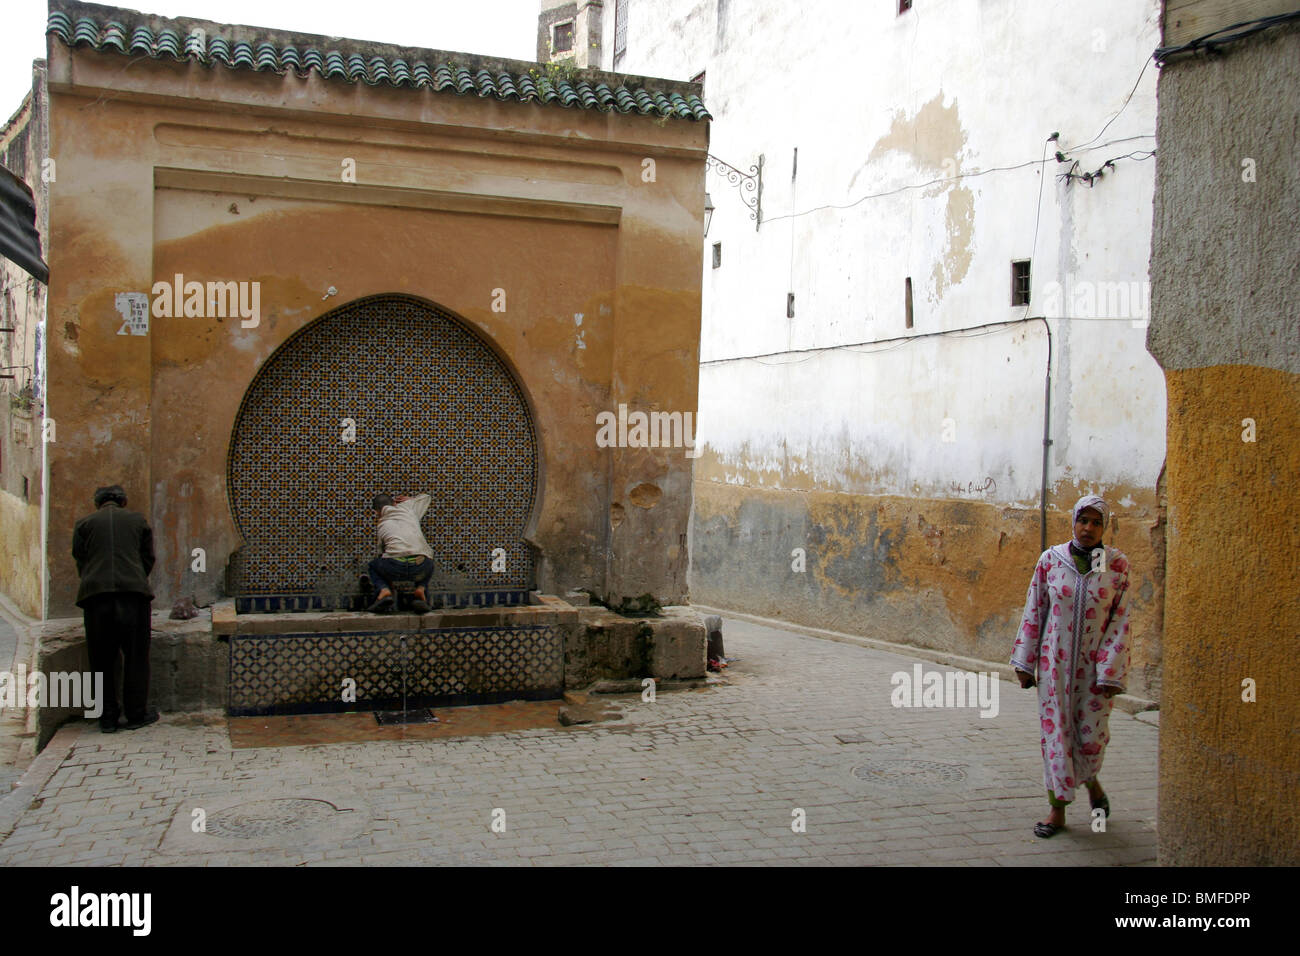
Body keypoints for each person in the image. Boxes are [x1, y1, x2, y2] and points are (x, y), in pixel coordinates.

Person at [1011, 493, 1131, 838]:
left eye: (1096, 522)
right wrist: (1025, 661)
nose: (1088, 528)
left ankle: (1092, 784)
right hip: (1054, 667)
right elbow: (1035, 609)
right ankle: (1057, 811)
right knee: (1057, 734)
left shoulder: (1118, 566)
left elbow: (1121, 621)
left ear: (1104, 527)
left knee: (1091, 737)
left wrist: (1111, 670)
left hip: (1095, 672)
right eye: (1083, 520)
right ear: (1073, 521)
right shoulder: (1051, 561)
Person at [71, 485, 159, 733]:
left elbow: (81, 558)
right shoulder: (137, 520)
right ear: (123, 501)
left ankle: (107, 718)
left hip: (96, 598)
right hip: (133, 597)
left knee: (101, 660)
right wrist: (134, 577)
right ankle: (135, 715)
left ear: (97, 503)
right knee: (136, 656)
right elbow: (147, 558)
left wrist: (95, 580)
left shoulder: (84, 523)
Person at [367, 492, 435, 613]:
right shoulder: (408, 509)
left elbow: (380, 552)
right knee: (428, 559)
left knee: (373, 565)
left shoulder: (382, 523)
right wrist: (412, 499)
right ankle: (421, 589)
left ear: (377, 512)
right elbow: (426, 497)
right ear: (394, 504)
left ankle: (384, 591)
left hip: (395, 567)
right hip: (422, 566)